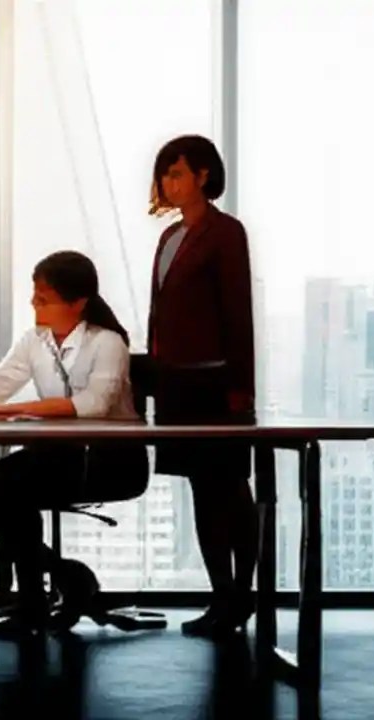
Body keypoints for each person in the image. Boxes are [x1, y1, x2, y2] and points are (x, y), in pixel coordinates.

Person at [0, 251, 148, 639]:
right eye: (34, 296)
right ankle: (66, 575)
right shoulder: (35, 340)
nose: (33, 304)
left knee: (13, 494)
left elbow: (93, 406)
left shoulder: (108, 342)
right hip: (57, 457)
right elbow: (3, 382)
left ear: (77, 303)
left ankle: (33, 604)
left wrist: (10, 411)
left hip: (108, 463)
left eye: (44, 298)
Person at [146, 134, 257, 637]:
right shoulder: (169, 237)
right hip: (177, 384)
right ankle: (222, 598)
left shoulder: (225, 232)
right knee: (201, 491)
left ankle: (244, 593)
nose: (168, 183)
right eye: (164, 174)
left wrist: (241, 385)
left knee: (231, 489)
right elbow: (160, 314)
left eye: (177, 173)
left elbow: (237, 314)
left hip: (216, 381)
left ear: (203, 176)